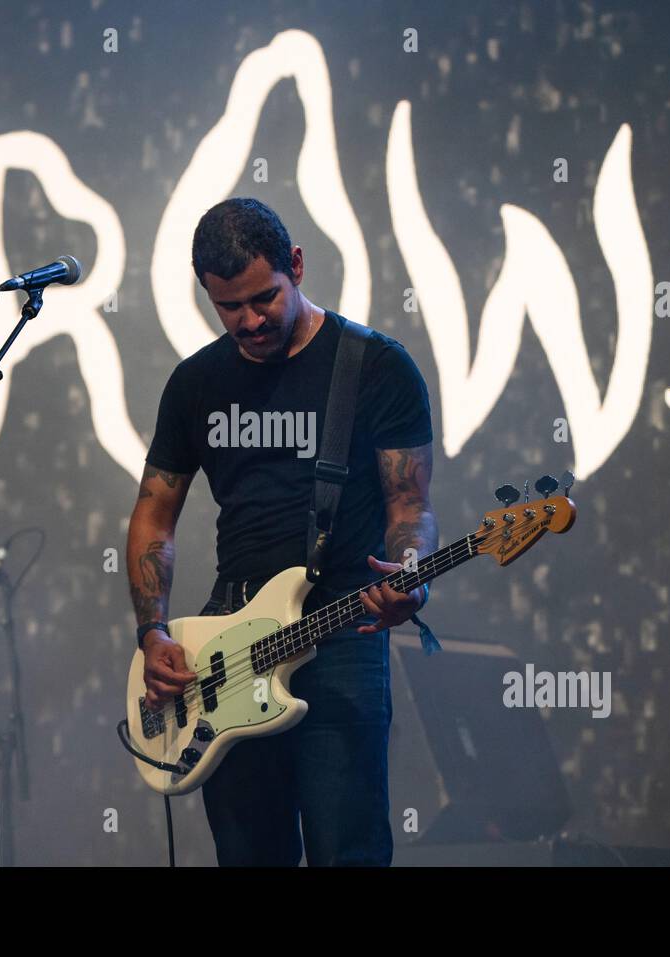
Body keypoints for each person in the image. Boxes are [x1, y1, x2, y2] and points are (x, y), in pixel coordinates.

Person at [126, 197, 437, 866]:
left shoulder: (376, 367)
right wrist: (152, 630)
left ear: (296, 265)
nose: (249, 320)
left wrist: (409, 572)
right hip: (226, 646)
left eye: (264, 298)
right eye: (228, 307)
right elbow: (154, 512)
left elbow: (409, 505)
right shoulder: (196, 383)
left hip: (342, 633)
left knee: (345, 850)